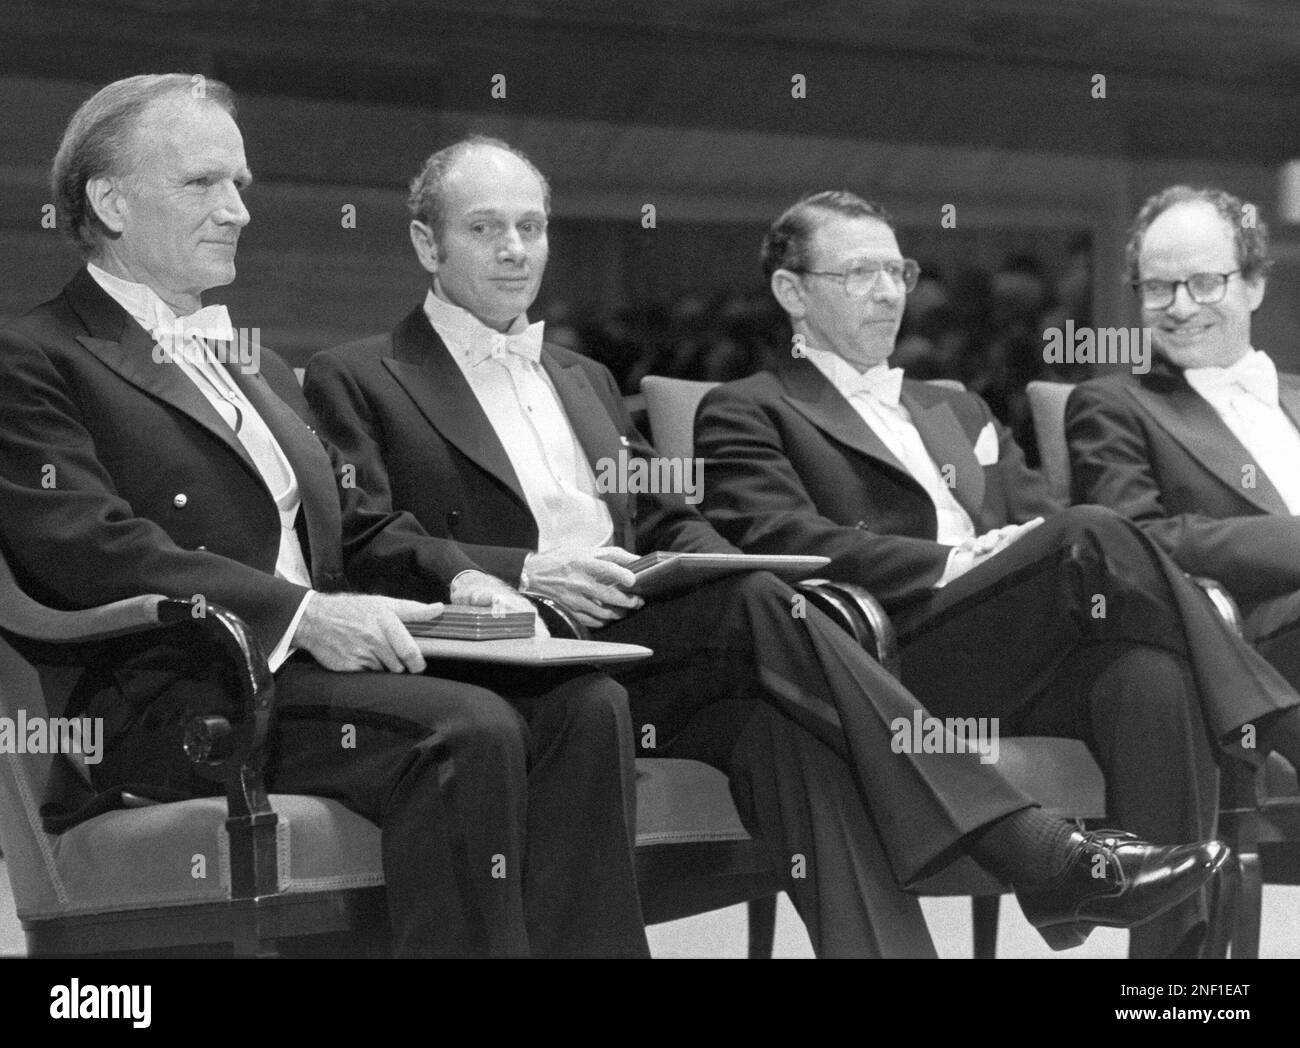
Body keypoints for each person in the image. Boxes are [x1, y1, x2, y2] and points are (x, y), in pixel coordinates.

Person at [303, 135, 1226, 957]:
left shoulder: (583, 376)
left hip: (650, 637)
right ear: (428, 244)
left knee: (784, 711)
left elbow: (667, 518)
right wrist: (521, 570)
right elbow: (369, 543)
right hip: (520, 649)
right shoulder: (359, 376)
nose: (515, 249)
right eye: (486, 229)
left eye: (533, 227)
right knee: (767, 649)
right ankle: (1037, 851)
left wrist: (712, 558)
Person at [0, 74, 651, 958]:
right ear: (109, 202)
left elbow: (355, 527)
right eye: (202, 183)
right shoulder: (32, 356)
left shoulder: (253, 360)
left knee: (587, 703)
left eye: (240, 184)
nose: (237, 209)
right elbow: (90, 548)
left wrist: (461, 579)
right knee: (470, 728)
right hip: (183, 692)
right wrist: (308, 614)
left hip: (316, 675)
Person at [691, 188, 1300, 956]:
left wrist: (1018, 547)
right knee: (1091, 535)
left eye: (898, 271)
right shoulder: (745, 408)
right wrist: (957, 558)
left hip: (1011, 648)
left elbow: (1038, 516)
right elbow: (781, 540)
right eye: (858, 274)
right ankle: (1280, 721)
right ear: (792, 292)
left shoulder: (960, 411)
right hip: (880, 663)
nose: (887, 292)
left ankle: (1175, 990)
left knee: (1150, 676)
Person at [1068, 185, 1300, 729]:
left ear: (1255, 284)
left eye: (1203, 283)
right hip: (1242, 646)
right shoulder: (1113, 404)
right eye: (1158, 288)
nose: (1180, 307)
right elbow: (1135, 543)